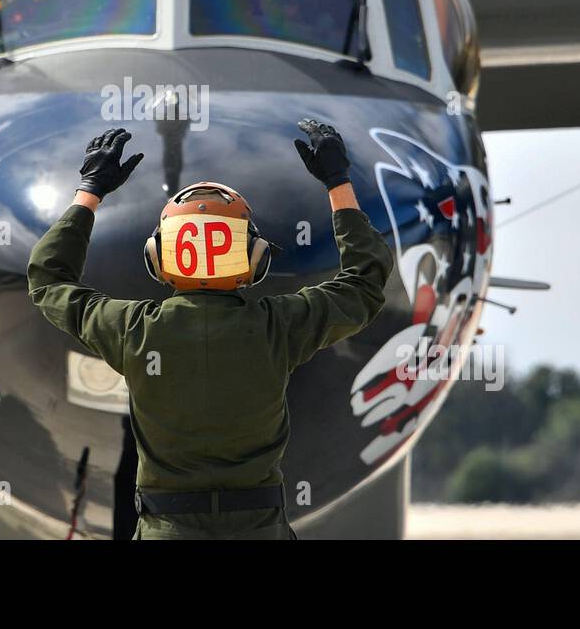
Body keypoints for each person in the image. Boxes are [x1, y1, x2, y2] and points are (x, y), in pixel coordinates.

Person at [27, 119, 395, 539]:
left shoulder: (133, 330)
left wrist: (90, 191)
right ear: (254, 258)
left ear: (157, 258)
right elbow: (365, 282)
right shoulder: (279, 326)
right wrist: (337, 182)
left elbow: (48, 280)